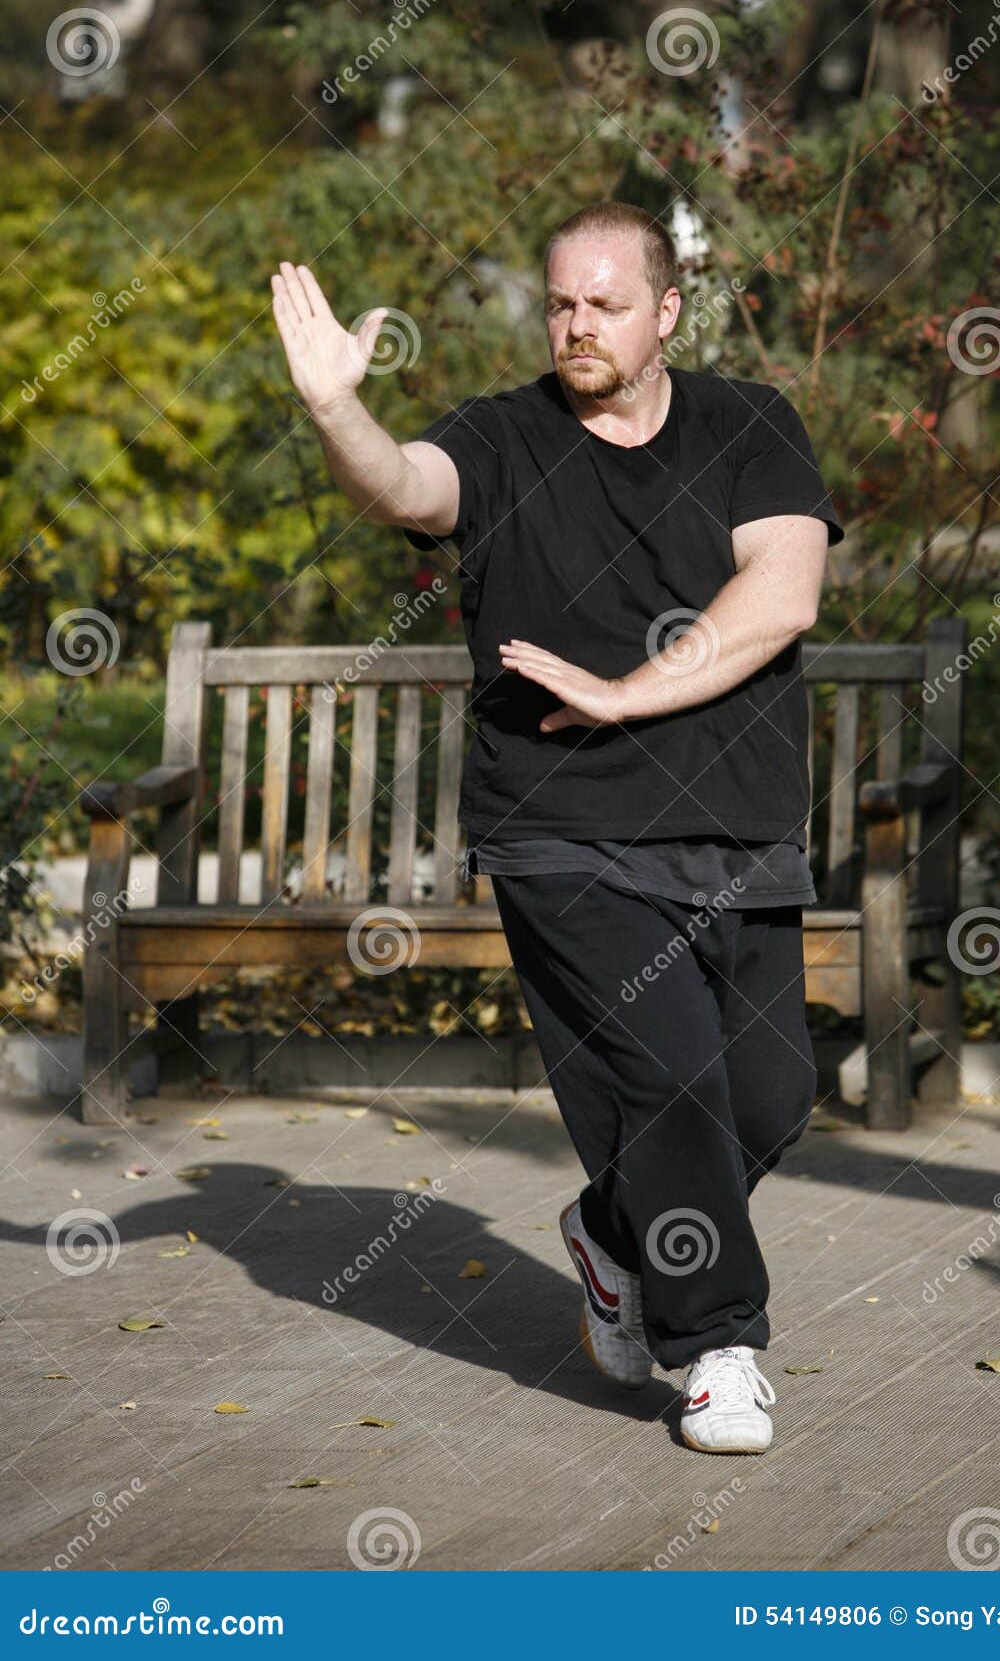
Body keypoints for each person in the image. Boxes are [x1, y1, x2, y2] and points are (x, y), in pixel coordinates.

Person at [270, 200, 844, 1455]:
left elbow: (783, 585)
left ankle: (609, 1231)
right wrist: (335, 413)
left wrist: (628, 691)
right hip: (557, 826)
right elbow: (406, 485)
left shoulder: (750, 425)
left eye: (606, 303)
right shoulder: (502, 432)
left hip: (733, 825)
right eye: (560, 303)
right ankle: (717, 1349)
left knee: (772, 1092)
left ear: (667, 312)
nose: (576, 325)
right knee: (678, 1084)